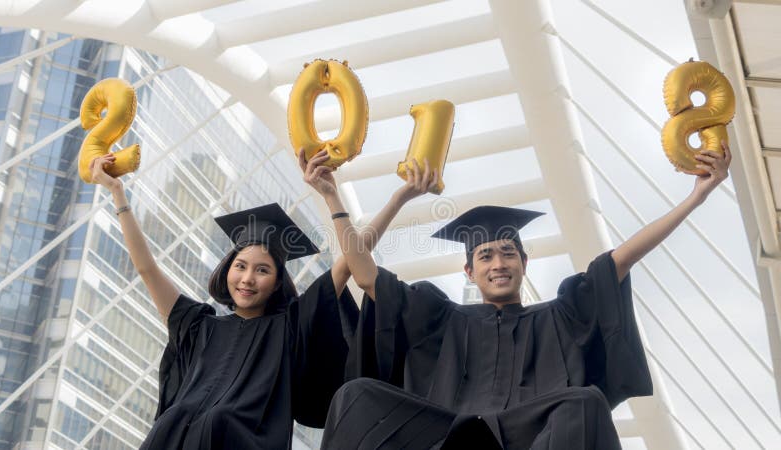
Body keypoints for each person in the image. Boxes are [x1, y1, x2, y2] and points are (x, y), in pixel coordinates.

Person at [303, 143, 733, 449]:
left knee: (586, 402)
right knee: (354, 395)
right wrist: (333, 195)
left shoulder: (561, 315)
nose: (498, 263)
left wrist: (696, 197)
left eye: (509, 253)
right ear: (469, 271)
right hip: (442, 431)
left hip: (529, 434)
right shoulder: (439, 315)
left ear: (524, 263)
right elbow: (363, 274)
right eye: (486, 256)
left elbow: (620, 259)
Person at [87, 148, 434, 449]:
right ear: (226, 270)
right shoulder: (197, 326)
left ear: (277, 282)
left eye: (262, 270)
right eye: (240, 266)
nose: (248, 278)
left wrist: (387, 199)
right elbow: (147, 270)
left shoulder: (290, 327)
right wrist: (118, 193)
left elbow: (348, 266)